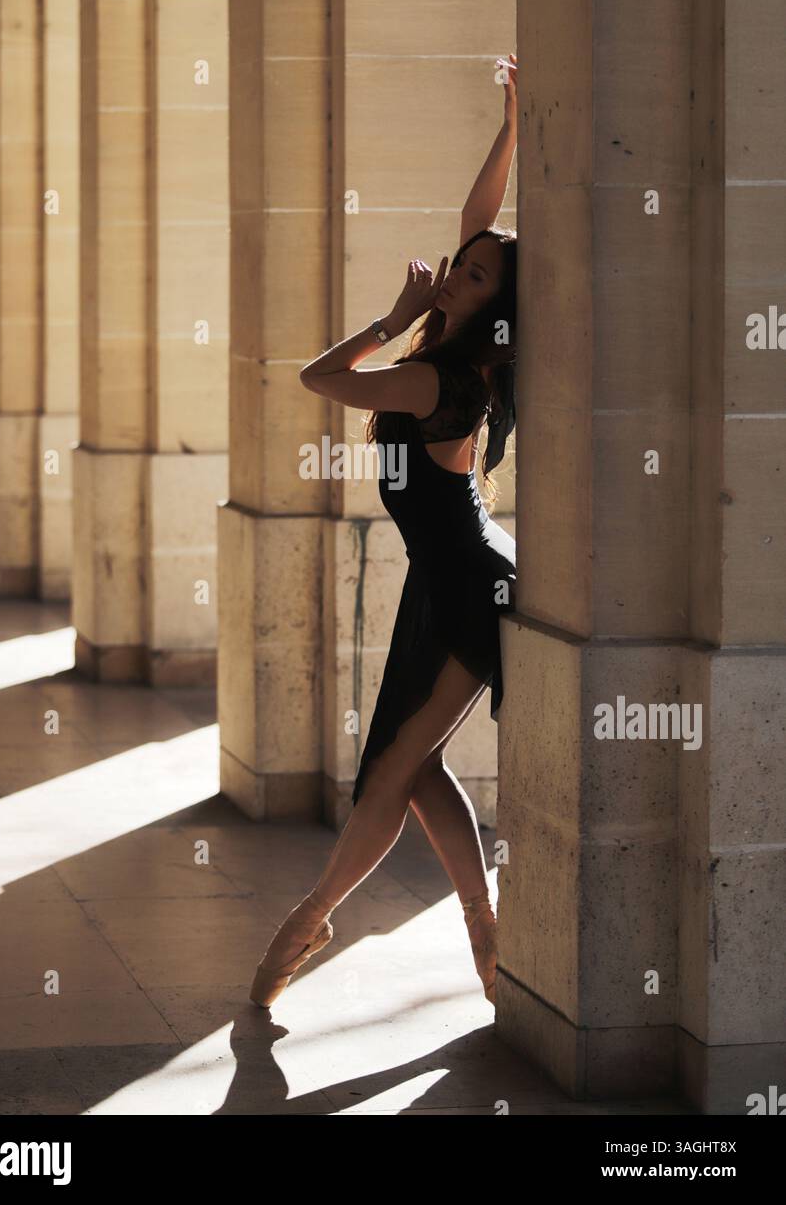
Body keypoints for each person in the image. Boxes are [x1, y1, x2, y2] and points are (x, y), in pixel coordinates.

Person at [249, 55, 519, 1010]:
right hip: (443, 579)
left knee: (391, 772)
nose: (456, 275)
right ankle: (483, 934)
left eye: (475, 278)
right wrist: (516, 119)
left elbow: (319, 380)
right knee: (412, 765)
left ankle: (308, 920)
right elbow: (477, 218)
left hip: (472, 583)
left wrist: (394, 315)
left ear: (492, 307)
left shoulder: (438, 380)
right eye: (461, 268)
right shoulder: (448, 359)